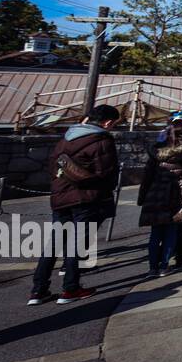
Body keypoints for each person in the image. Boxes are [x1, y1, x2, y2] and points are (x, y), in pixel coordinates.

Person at [27, 104, 121, 306]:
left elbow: (53, 167)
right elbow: (106, 173)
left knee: (54, 242)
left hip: (60, 196)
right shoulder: (101, 141)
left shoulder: (65, 139)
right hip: (85, 198)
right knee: (76, 244)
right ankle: (70, 288)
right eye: (113, 123)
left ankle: (38, 290)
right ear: (107, 122)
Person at [137, 119, 182, 279]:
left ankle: (152, 267)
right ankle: (164, 266)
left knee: (156, 231)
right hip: (177, 192)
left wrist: (142, 196)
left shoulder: (157, 150)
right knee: (172, 230)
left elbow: (147, 175)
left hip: (156, 192)